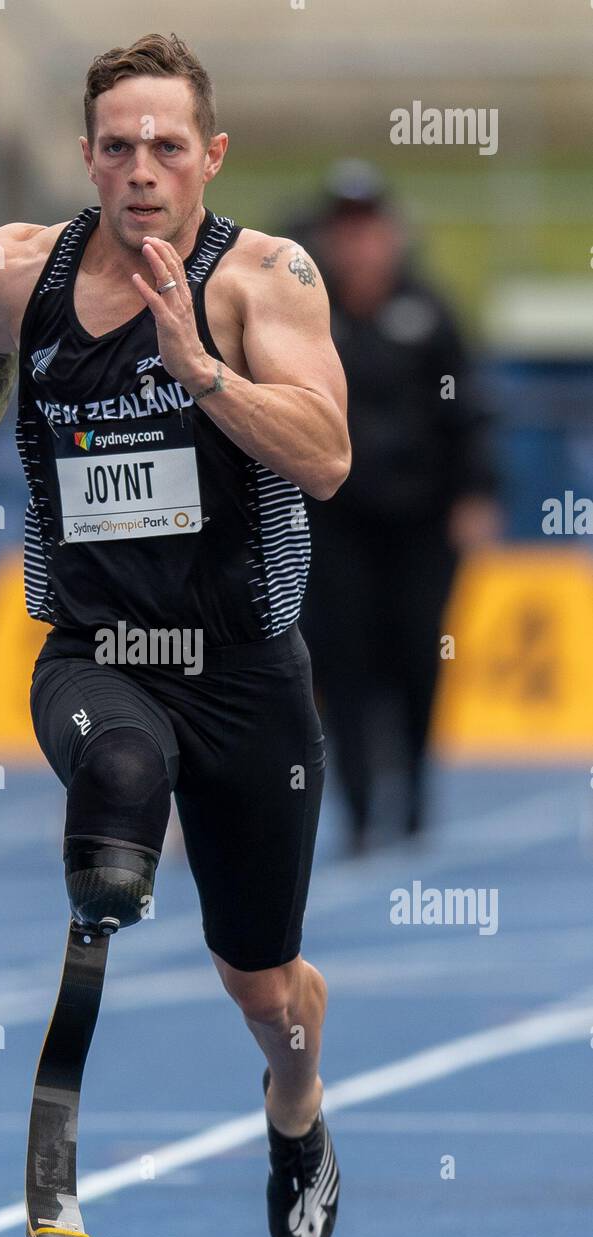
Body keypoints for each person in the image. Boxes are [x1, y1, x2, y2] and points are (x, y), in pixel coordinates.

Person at [0, 33, 350, 1237]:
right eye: (120, 146)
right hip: (97, 647)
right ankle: (103, 892)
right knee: (121, 772)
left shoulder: (266, 280)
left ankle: (295, 1114)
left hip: (244, 666)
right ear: (87, 155)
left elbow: (327, 456)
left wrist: (198, 371)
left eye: (167, 146)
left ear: (210, 157)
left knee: (265, 988)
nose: (143, 168)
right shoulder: (21, 269)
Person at [291, 161, 502, 853]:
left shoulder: (426, 312)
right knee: (339, 659)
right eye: (343, 232)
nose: (358, 246)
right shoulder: (304, 317)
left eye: (369, 230)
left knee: (416, 654)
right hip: (335, 518)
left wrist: (474, 495)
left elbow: (467, 411)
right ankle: (353, 809)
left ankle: (411, 793)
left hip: (419, 521)